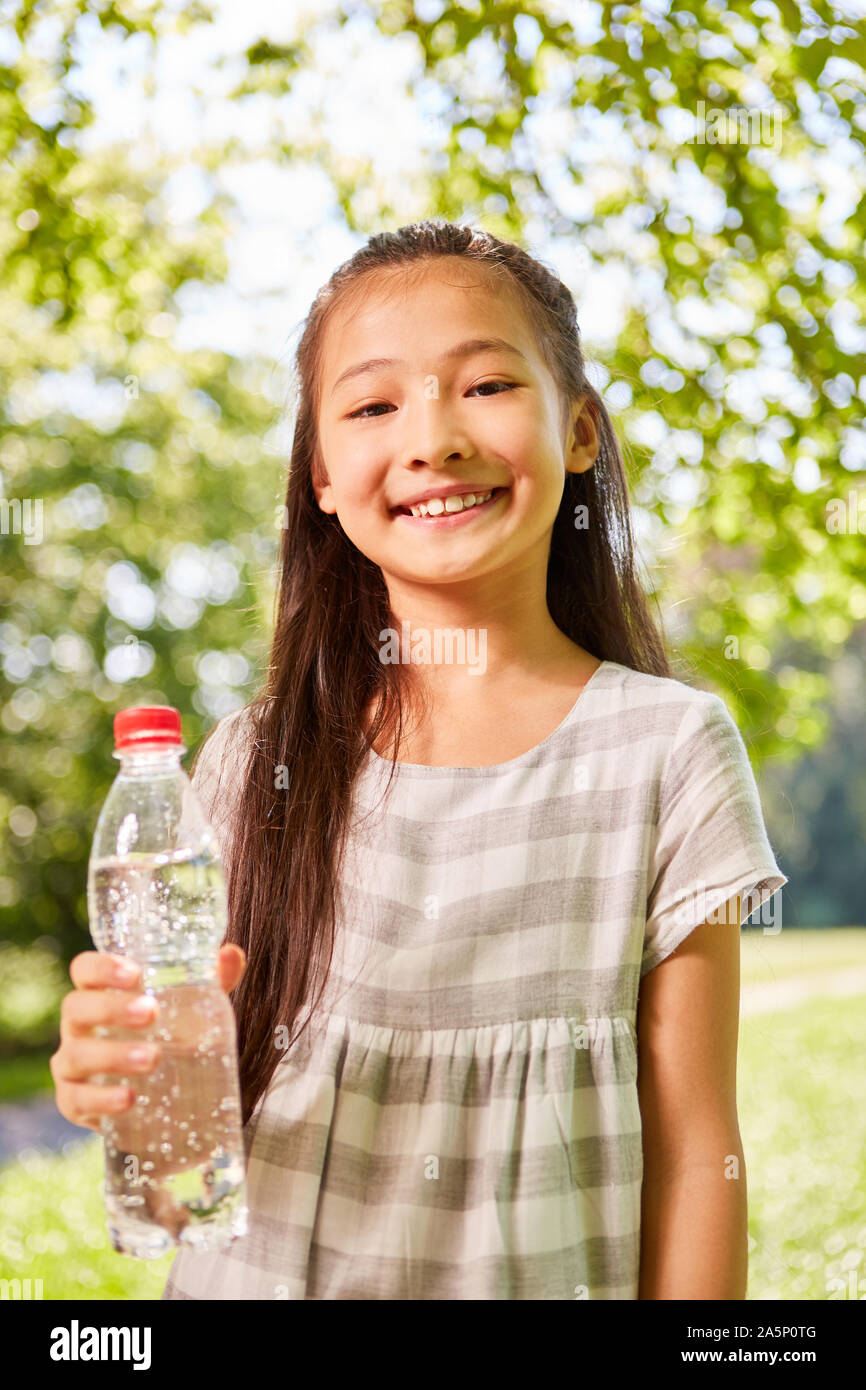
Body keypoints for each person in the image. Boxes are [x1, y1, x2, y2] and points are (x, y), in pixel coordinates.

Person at [52, 220, 786, 1300]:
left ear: (577, 430)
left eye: (483, 385)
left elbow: (695, 1156)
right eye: (372, 404)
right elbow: (175, 1190)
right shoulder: (254, 762)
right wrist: (131, 1093)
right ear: (321, 478)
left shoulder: (664, 749)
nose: (432, 437)